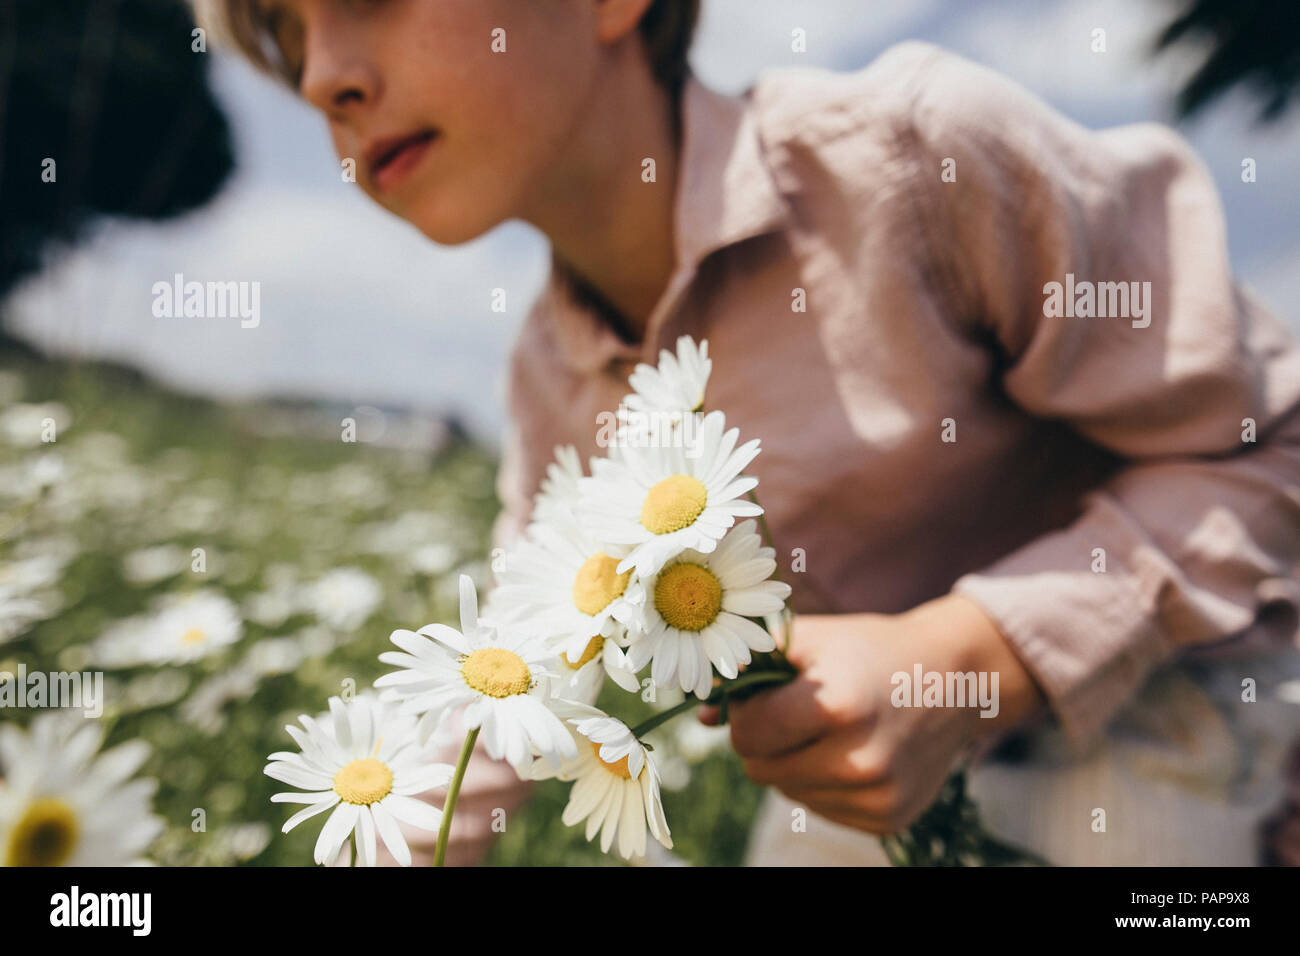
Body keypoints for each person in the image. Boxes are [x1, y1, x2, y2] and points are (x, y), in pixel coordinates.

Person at [213, 0, 1300, 865]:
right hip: (877, 772)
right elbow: (525, 653)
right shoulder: (549, 378)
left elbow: (1269, 444)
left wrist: (969, 654)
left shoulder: (918, 158)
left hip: (1183, 694)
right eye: (288, 33)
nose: (320, 78)